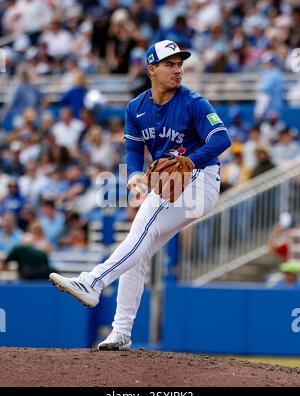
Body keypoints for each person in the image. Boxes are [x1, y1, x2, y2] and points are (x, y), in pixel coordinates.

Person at [49, 40, 231, 350]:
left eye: (179, 64)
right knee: (138, 249)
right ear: (152, 69)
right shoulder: (136, 108)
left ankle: (93, 281)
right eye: (170, 64)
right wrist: (134, 174)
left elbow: (221, 138)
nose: (178, 69)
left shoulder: (194, 102)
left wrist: (191, 160)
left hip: (200, 179)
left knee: (142, 229)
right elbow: (133, 148)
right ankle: (121, 331)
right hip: (171, 183)